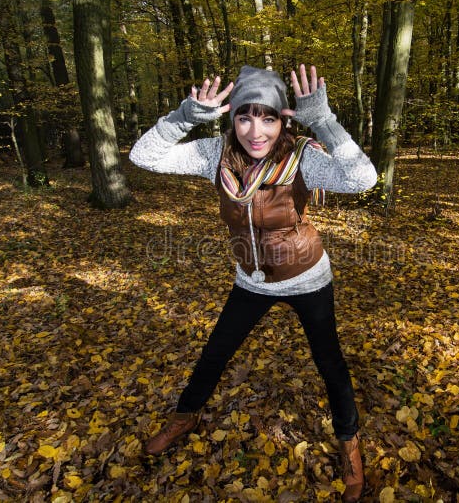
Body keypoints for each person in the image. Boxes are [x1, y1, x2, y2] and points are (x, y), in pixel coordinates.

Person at [129, 64, 376, 502]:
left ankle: (349, 442)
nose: (255, 132)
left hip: (307, 278)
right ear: (232, 118)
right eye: (244, 117)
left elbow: (363, 179)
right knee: (215, 353)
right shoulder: (216, 155)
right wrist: (186, 116)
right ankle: (186, 416)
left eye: (267, 118)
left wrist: (323, 120)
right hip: (252, 280)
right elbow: (143, 157)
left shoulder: (302, 158)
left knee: (329, 363)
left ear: (283, 120)